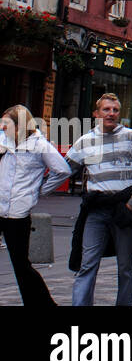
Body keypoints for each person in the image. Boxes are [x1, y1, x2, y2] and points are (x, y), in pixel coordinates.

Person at [65, 93, 132, 306]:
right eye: (106, 110)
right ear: (96, 114)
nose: (111, 114)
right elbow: (64, 169)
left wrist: (130, 205)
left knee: (125, 266)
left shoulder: (131, 137)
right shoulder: (85, 141)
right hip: (96, 210)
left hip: (123, 210)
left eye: (115, 110)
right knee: (87, 263)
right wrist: (37, 188)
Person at [0, 105, 70, 306]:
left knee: (20, 265)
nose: (3, 127)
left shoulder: (39, 145)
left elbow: (62, 170)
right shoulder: (4, 141)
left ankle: (42, 304)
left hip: (18, 213)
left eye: (7, 123)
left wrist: (41, 190)